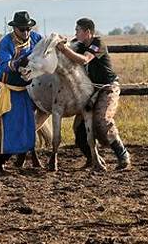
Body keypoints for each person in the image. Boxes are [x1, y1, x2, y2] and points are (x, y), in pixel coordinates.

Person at [56, 18, 131, 170]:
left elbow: (84, 60)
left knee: (103, 119)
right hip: (91, 91)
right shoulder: (80, 44)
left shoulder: (98, 44)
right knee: (79, 127)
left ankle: (123, 156)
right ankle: (92, 159)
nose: (75, 33)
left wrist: (64, 49)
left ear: (87, 32)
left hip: (108, 88)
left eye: (77, 30)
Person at [0, 11, 43, 175]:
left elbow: (45, 50)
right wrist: (17, 63)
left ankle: (2, 161)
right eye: (22, 29)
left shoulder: (35, 39)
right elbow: (4, 64)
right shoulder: (6, 42)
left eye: (28, 28)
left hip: (22, 92)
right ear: (15, 28)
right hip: (5, 91)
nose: (26, 32)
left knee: (20, 128)